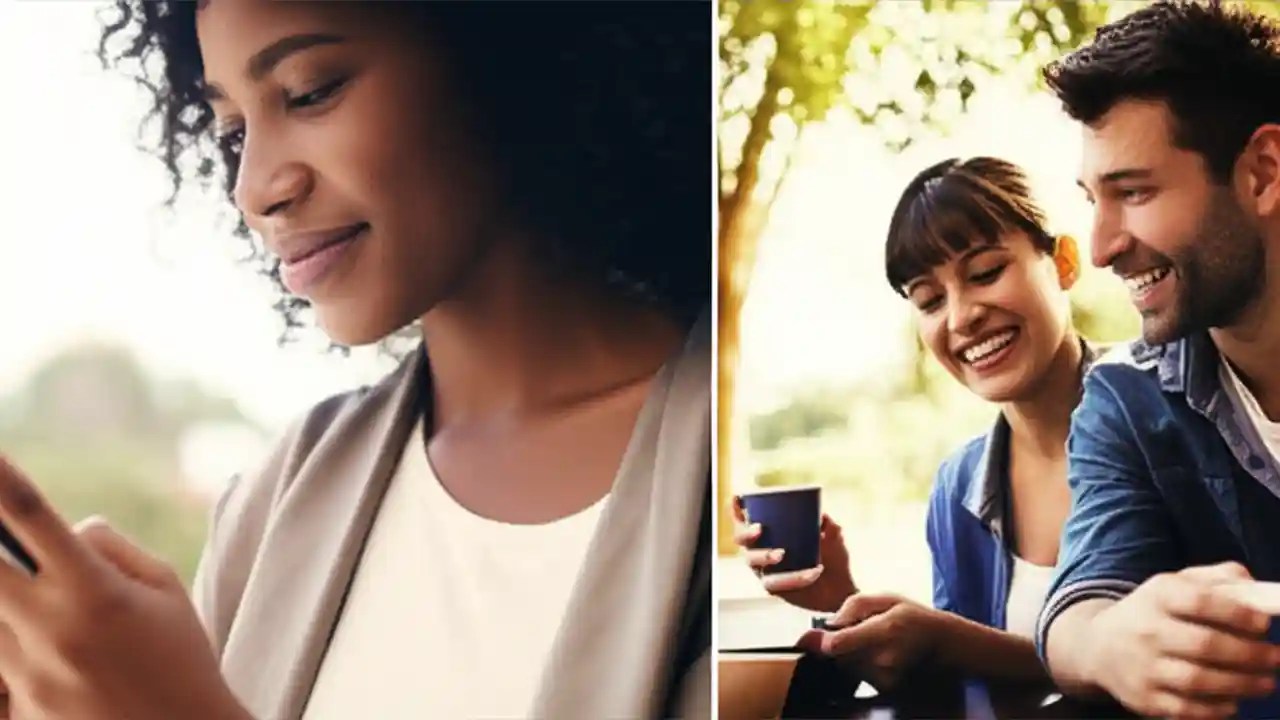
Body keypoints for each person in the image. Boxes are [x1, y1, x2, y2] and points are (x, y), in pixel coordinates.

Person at [0, 1, 711, 718]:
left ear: (506, 49)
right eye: (233, 130)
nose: (255, 189)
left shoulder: (720, 468)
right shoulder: (277, 500)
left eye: (309, 91)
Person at [734, 156, 1095, 691]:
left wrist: (952, 641)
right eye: (929, 299)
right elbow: (959, 697)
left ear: (1063, 261)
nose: (961, 317)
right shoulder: (959, 489)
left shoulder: (1165, 419)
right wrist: (842, 602)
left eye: (986, 273)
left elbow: (1171, 665)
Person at [1034, 2, 1280, 719]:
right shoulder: (1124, 400)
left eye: (1134, 192)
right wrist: (1113, 642)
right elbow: (1080, 606)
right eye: (1093, 199)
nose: (1102, 244)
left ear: (1263, 173)